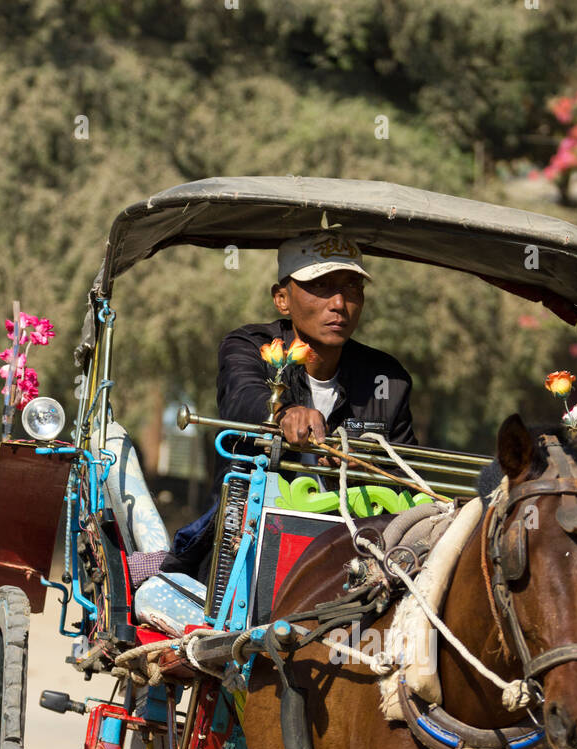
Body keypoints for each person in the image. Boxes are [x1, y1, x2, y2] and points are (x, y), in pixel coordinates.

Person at [158, 232, 417, 587]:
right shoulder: (249, 348)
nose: (339, 303)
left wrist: (366, 467)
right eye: (321, 287)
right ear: (282, 299)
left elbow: (409, 476)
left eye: (352, 288)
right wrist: (283, 414)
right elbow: (242, 395)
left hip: (356, 562)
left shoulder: (388, 378)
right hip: (247, 553)